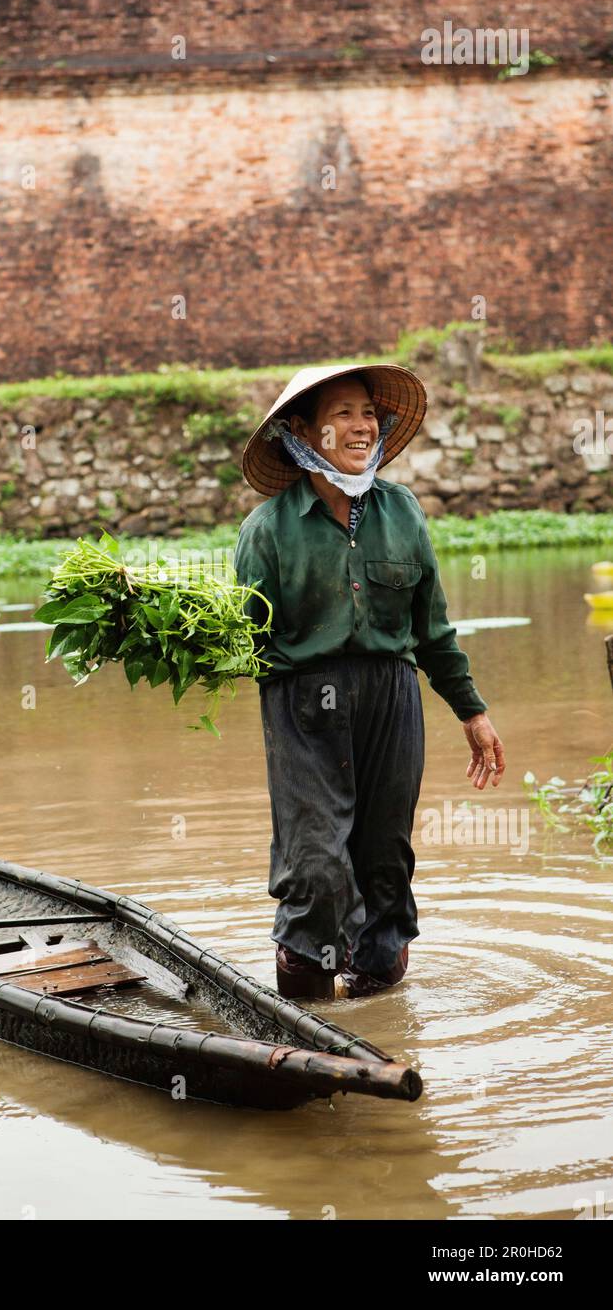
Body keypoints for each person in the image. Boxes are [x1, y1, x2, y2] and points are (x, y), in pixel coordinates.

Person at [233, 363, 506, 1002]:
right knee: (316, 863)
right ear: (303, 432)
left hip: (391, 698)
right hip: (303, 705)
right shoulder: (266, 530)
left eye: (368, 414)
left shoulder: (401, 511)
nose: (362, 427)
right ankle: (304, 1008)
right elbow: (243, 641)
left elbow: (432, 628)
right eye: (343, 413)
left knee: (386, 858)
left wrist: (472, 712)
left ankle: (378, 1009)